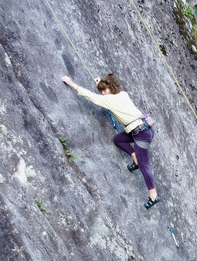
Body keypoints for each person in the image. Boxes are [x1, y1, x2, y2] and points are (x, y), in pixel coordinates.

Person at [62, 73, 160, 209]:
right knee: (118, 139)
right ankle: (134, 157)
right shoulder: (122, 94)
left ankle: (153, 195)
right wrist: (101, 85)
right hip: (144, 129)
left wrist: (71, 83)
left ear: (110, 89)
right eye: (101, 91)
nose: (102, 93)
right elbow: (110, 96)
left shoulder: (109, 100)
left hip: (141, 134)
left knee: (145, 166)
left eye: (104, 90)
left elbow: (92, 97)